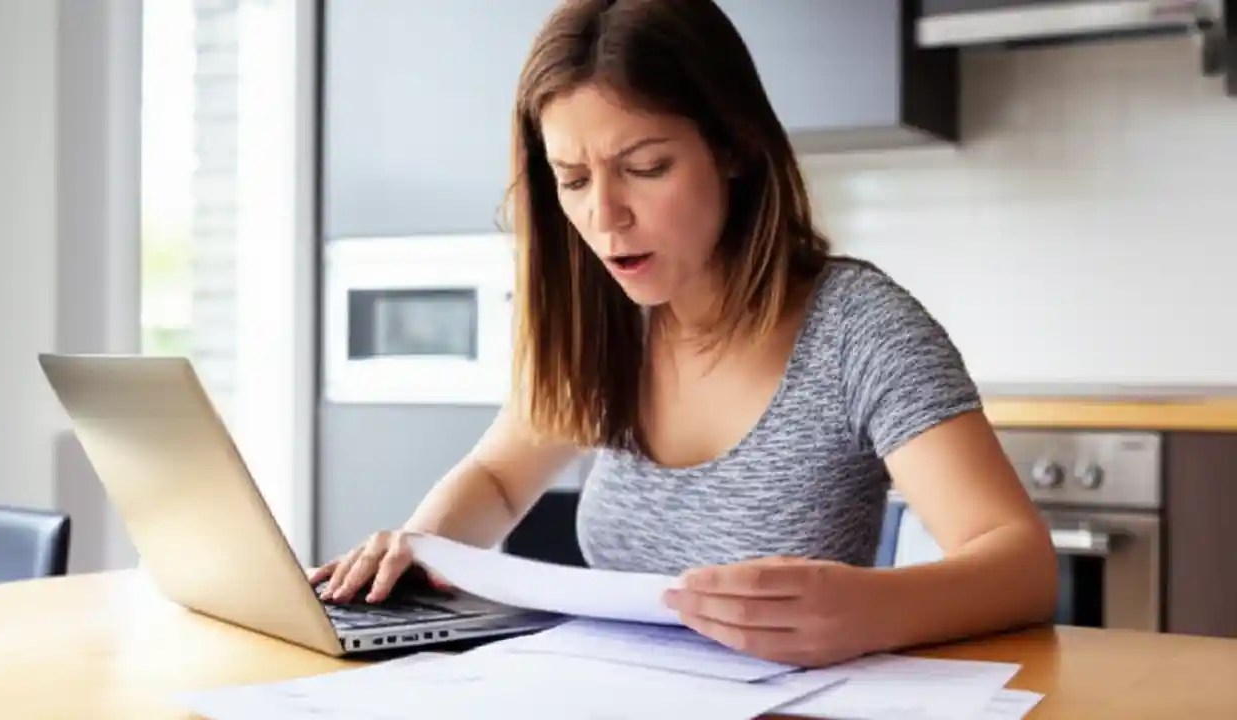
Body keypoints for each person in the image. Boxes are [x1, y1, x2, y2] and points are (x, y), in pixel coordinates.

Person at [309, 0, 1057, 668]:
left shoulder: (859, 329)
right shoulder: (606, 317)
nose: (605, 217)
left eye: (645, 167)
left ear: (731, 147)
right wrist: (422, 545)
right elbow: (500, 479)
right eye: (572, 180)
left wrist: (870, 610)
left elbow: (1019, 566)